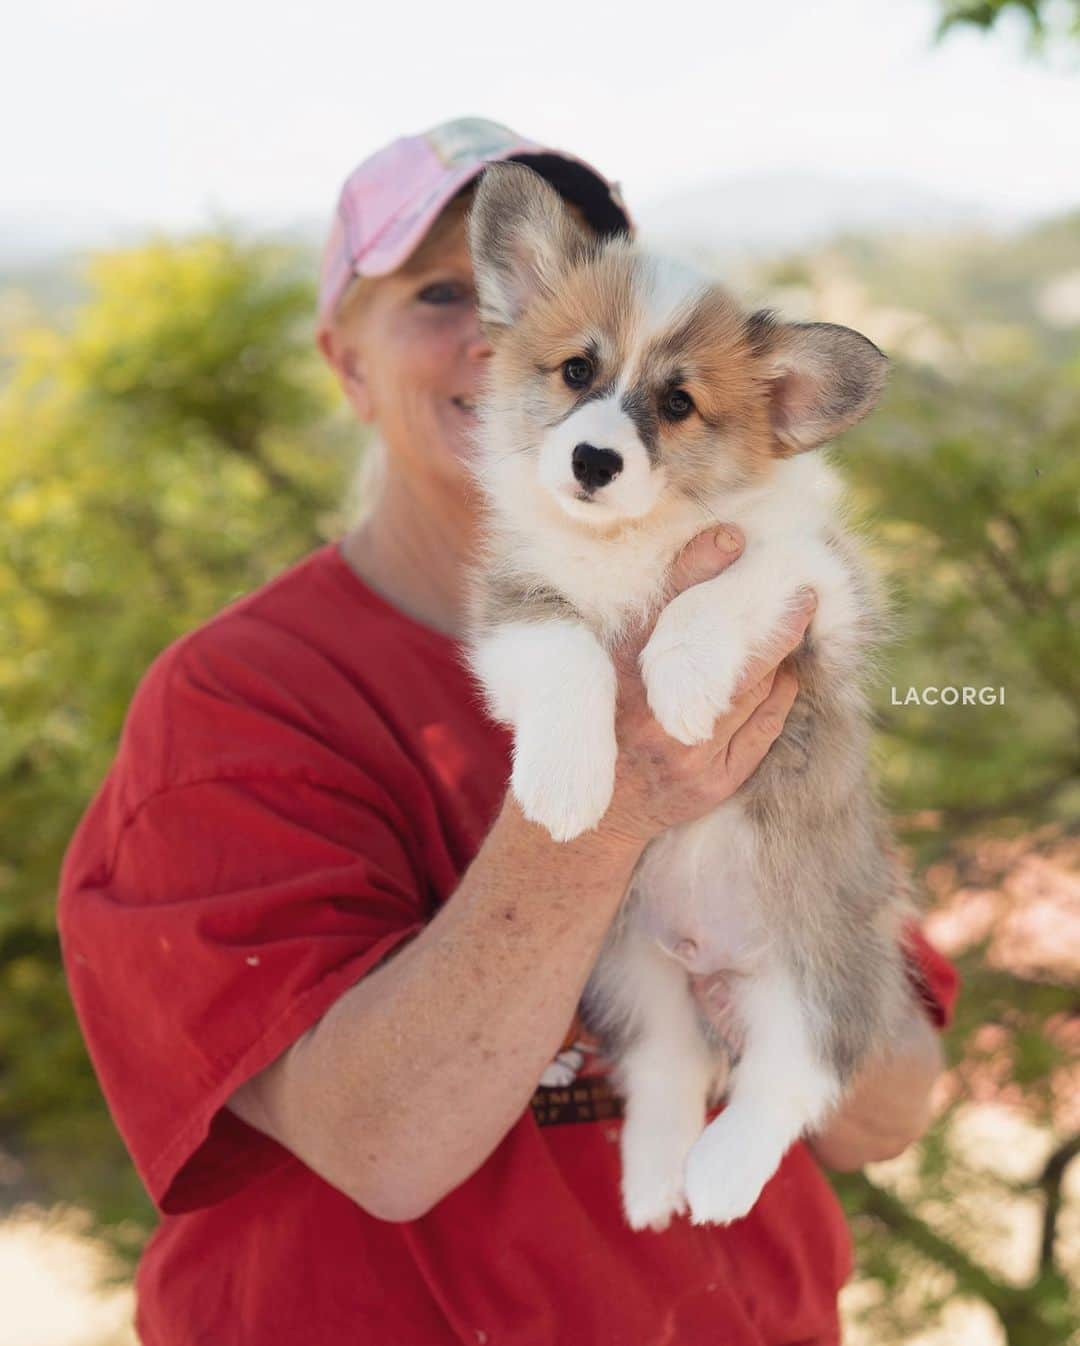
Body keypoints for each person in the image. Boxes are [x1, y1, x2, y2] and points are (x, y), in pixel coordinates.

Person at [59, 117, 958, 1346]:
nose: (509, 330)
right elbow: (386, 1145)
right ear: (345, 362)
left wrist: (794, 891)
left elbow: (884, 1113)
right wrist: (628, 795)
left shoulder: (749, 634)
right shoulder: (236, 702)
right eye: (443, 293)